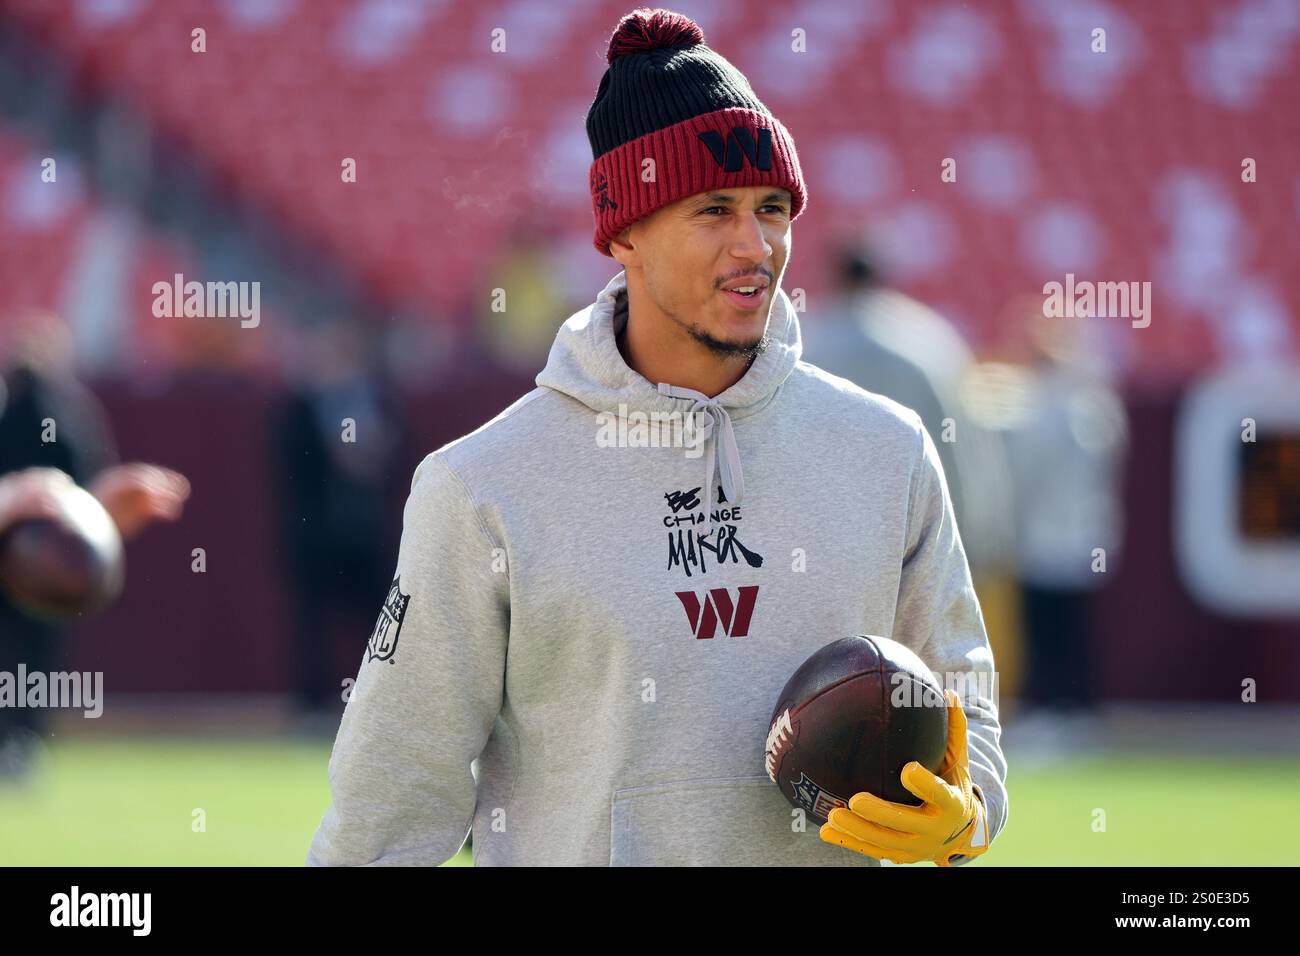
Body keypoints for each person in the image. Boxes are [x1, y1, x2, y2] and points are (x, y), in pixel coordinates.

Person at [309, 8, 1006, 867]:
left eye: (774, 208)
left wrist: (965, 813)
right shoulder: (482, 485)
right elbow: (392, 799)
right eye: (714, 210)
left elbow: (963, 697)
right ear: (624, 232)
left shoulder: (886, 450)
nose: (757, 246)